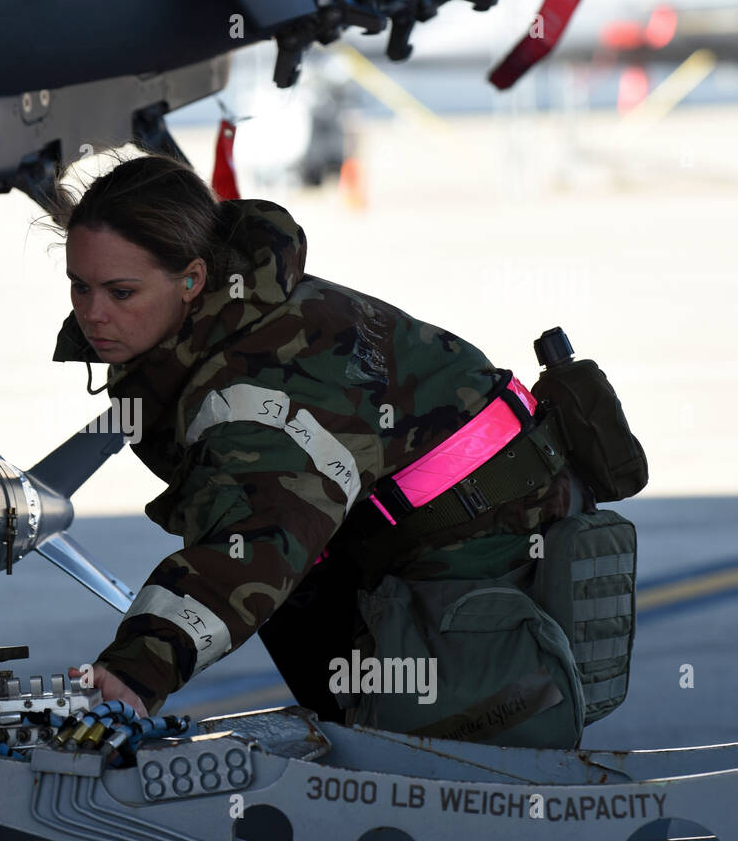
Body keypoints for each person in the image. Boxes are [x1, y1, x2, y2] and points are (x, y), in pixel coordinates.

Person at [46, 149, 596, 745]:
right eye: (81, 287)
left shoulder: (258, 384)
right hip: (439, 523)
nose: (93, 314)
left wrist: (135, 672)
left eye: (121, 293)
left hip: (485, 544)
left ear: (193, 279)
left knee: (433, 752)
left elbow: (249, 547)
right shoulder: (238, 307)